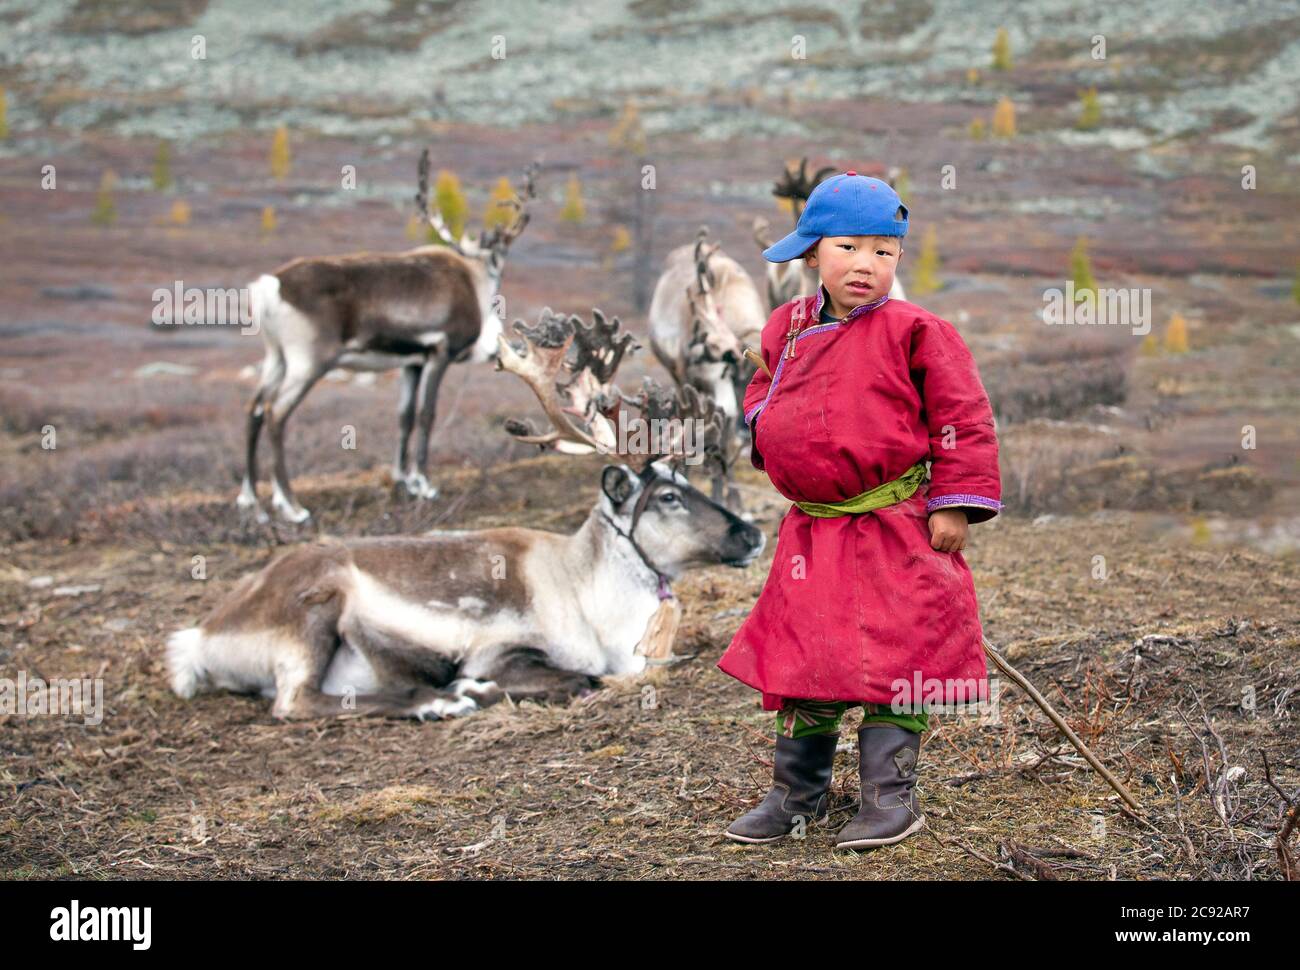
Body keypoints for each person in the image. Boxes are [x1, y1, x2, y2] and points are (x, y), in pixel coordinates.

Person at [718, 170, 1002, 850]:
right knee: (803, 655)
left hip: (894, 524)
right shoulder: (785, 327)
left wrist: (954, 504)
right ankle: (796, 794)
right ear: (812, 252)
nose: (865, 264)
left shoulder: (916, 330)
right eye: (848, 247)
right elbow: (762, 387)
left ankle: (889, 800)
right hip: (812, 529)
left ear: (899, 257)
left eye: (883, 250)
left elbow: (963, 417)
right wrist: (766, 427)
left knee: (895, 655)